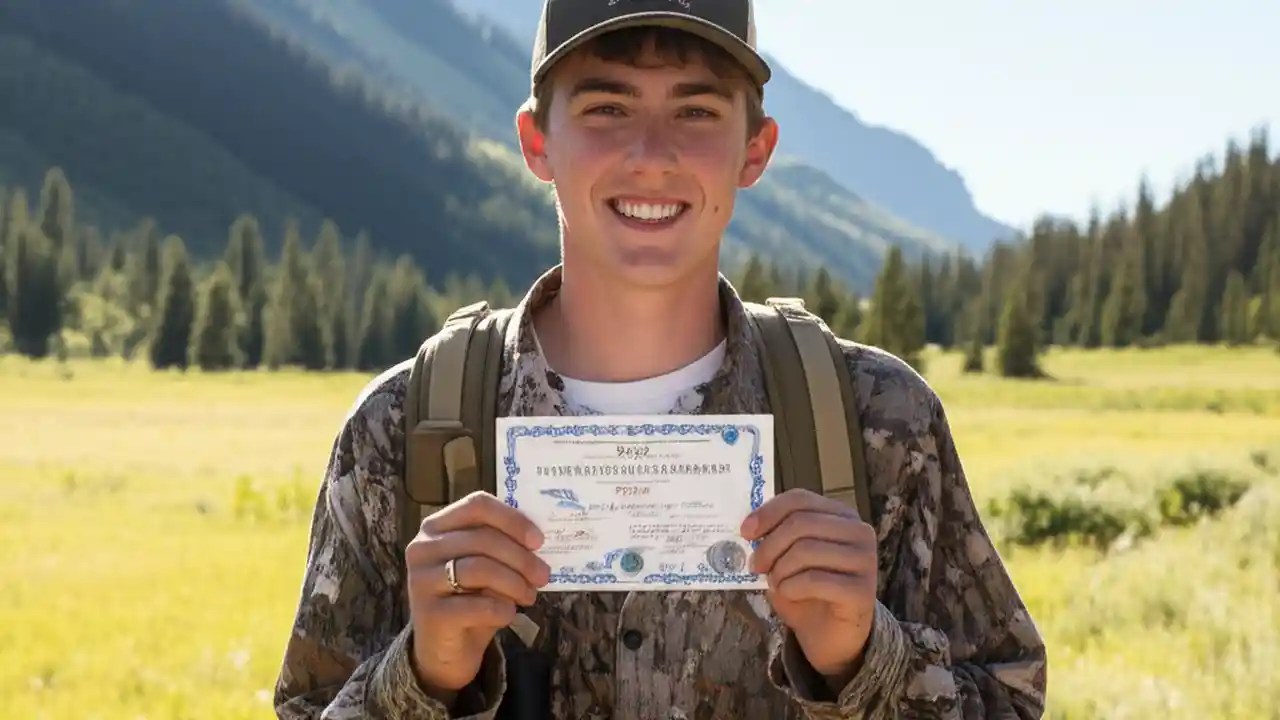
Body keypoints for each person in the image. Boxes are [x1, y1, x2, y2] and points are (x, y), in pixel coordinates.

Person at [272, 1, 1047, 717]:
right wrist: (424, 675)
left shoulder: (880, 422)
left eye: (696, 110)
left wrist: (863, 659)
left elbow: (1011, 698)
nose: (651, 155)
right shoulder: (402, 429)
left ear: (755, 149)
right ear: (537, 142)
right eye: (607, 107)